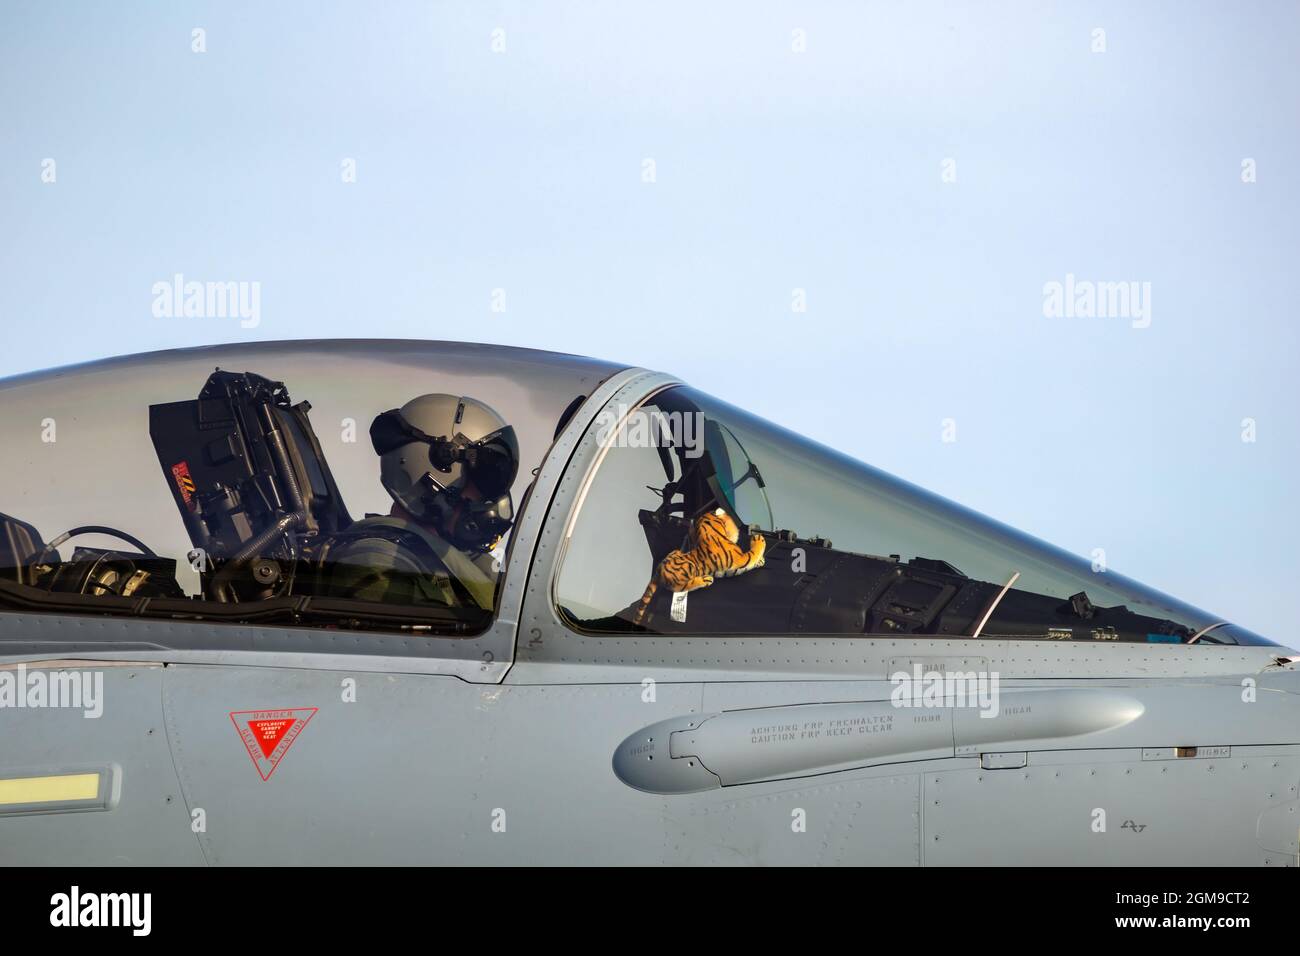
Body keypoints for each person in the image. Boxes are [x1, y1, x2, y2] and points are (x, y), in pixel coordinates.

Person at [321, 394, 519, 609]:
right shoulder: (379, 563)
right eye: (484, 477)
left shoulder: (463, 562)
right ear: (434, 467)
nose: (489, 498)